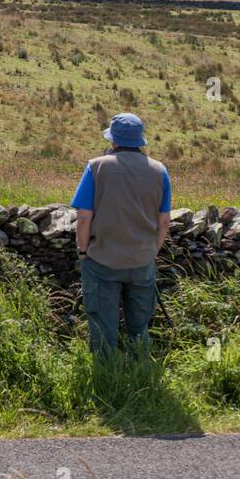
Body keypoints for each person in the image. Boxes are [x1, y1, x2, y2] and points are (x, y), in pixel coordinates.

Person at [70, 112, 172, 357]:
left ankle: (106, 379)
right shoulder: (159, 171)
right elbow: (164, 221)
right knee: (139, 328)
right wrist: (151, 251)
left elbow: (84, 218)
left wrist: (83, 252)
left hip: (102, 260)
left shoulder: (96, 167)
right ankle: (142, 373)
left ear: (113, 140)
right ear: (140, 141)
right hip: (142, 262)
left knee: (103, 329)